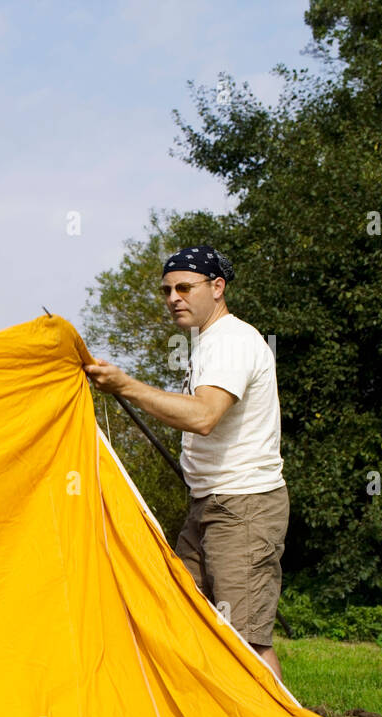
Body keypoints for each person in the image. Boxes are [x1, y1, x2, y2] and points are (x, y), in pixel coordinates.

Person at [84, 246, 289, 682]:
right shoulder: (209, 342)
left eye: (184, 287)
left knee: (246, 640)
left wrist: (127, 385)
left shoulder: (231, 341)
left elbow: (203, 416)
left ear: (217, 288)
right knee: (184, 613)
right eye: (166, 290)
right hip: (208, 505)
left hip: (244, 507)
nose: (173, 297)